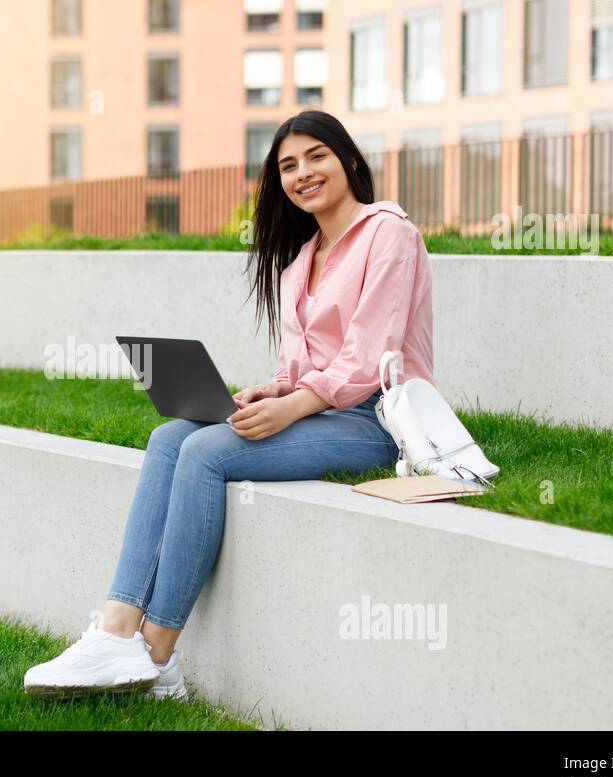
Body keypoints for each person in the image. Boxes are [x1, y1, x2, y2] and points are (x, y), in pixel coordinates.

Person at [23, 110, 435, 701]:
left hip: (380, 422)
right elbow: (301, 365)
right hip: (322, 410)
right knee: (171, 436)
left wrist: (291, 409)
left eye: (316, 156)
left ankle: (158, 657)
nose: (303, 173)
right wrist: (273, 390)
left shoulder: (387, 233)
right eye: (287, 166)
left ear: (347, 158)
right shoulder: (300, 262)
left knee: (207, 451)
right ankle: (116, 627)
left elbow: (370, 356)